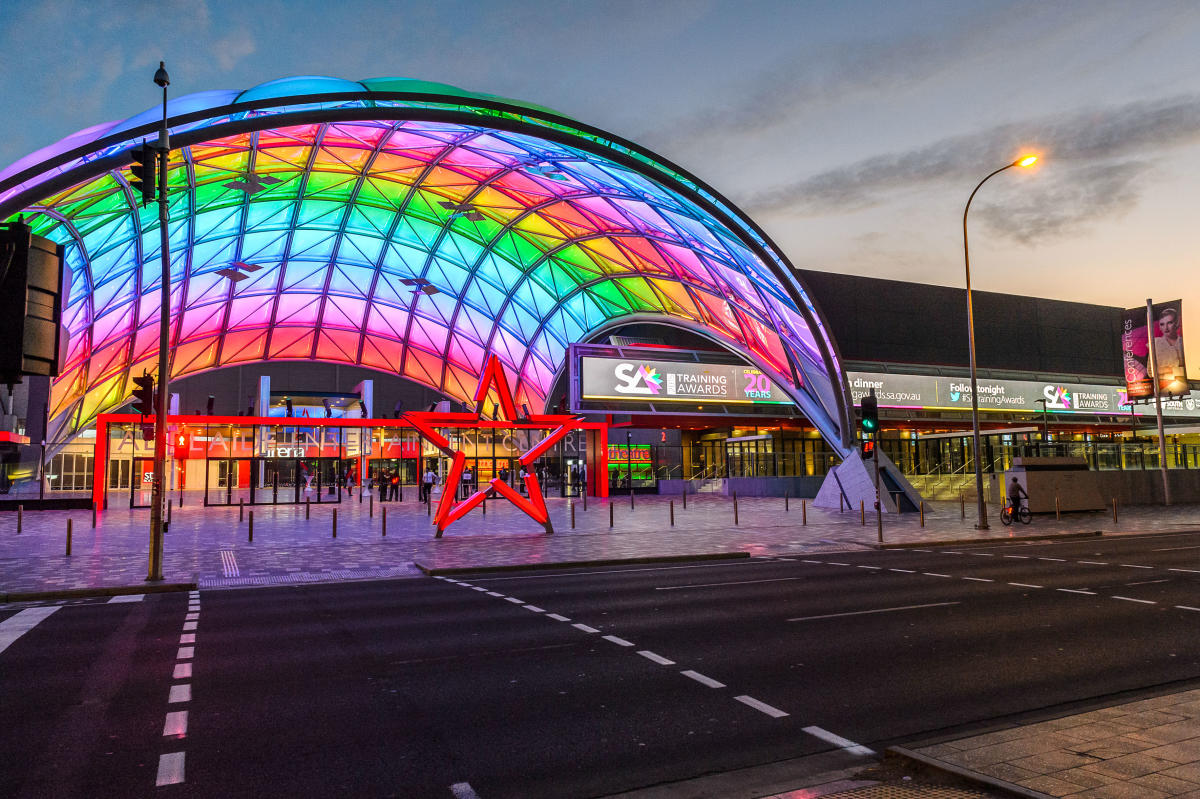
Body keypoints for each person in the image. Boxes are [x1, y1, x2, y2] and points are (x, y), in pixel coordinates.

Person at [1153, 307, 1186, 390]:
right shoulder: (1155, 344)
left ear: (1177, 323)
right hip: (1161, 388)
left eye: (1169, 323)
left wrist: (1165, 369)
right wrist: (1176, 370)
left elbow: (1188, 370)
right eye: (1162, 324)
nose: (1166, 328)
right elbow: (1151, 372)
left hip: (1181, 387)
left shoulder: (1183, 343)